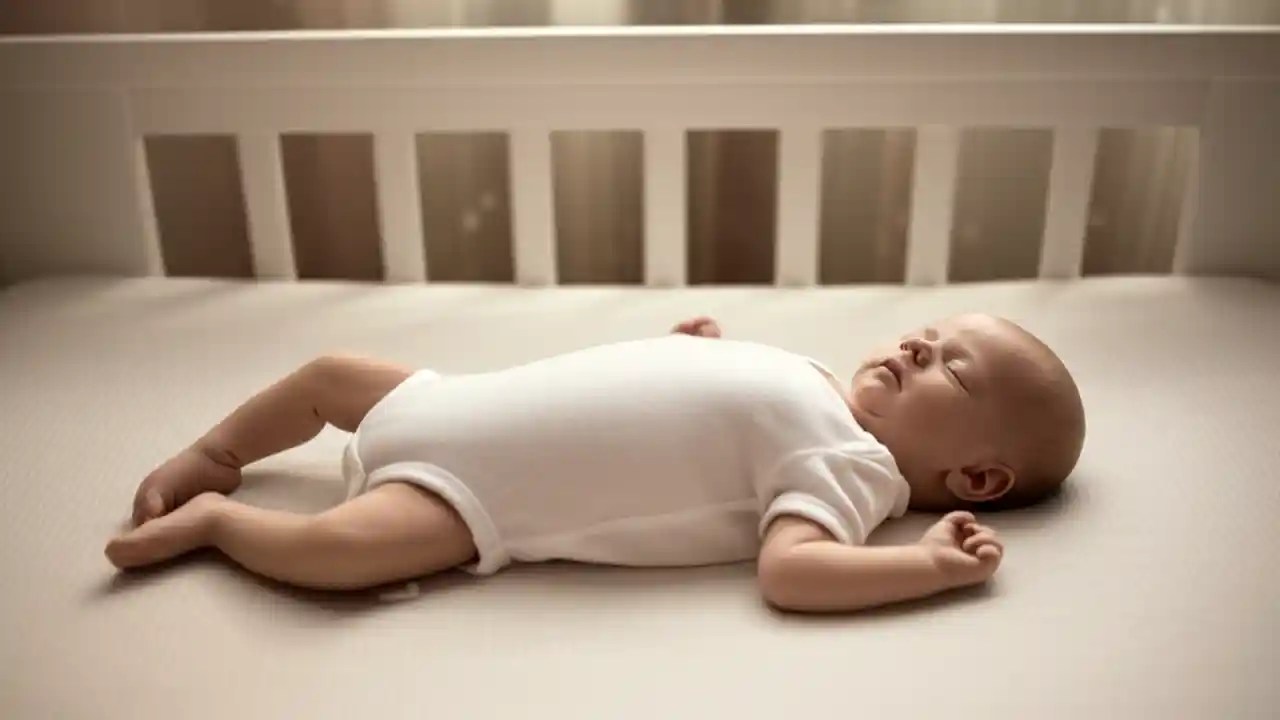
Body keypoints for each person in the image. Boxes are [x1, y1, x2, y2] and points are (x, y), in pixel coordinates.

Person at [105, 313, 1085, 614]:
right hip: (459, 398)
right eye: (927, 333)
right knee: (327, 376)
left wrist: (927, 566)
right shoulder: (808, 373)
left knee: (340, 549)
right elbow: (659, 395)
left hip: (476, 496)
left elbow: (791, 572)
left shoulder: (851, 471)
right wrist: (685, 346)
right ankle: (219, 453)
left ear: (976, 480)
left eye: (951, 370)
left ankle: (217, 525)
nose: (917, 348)